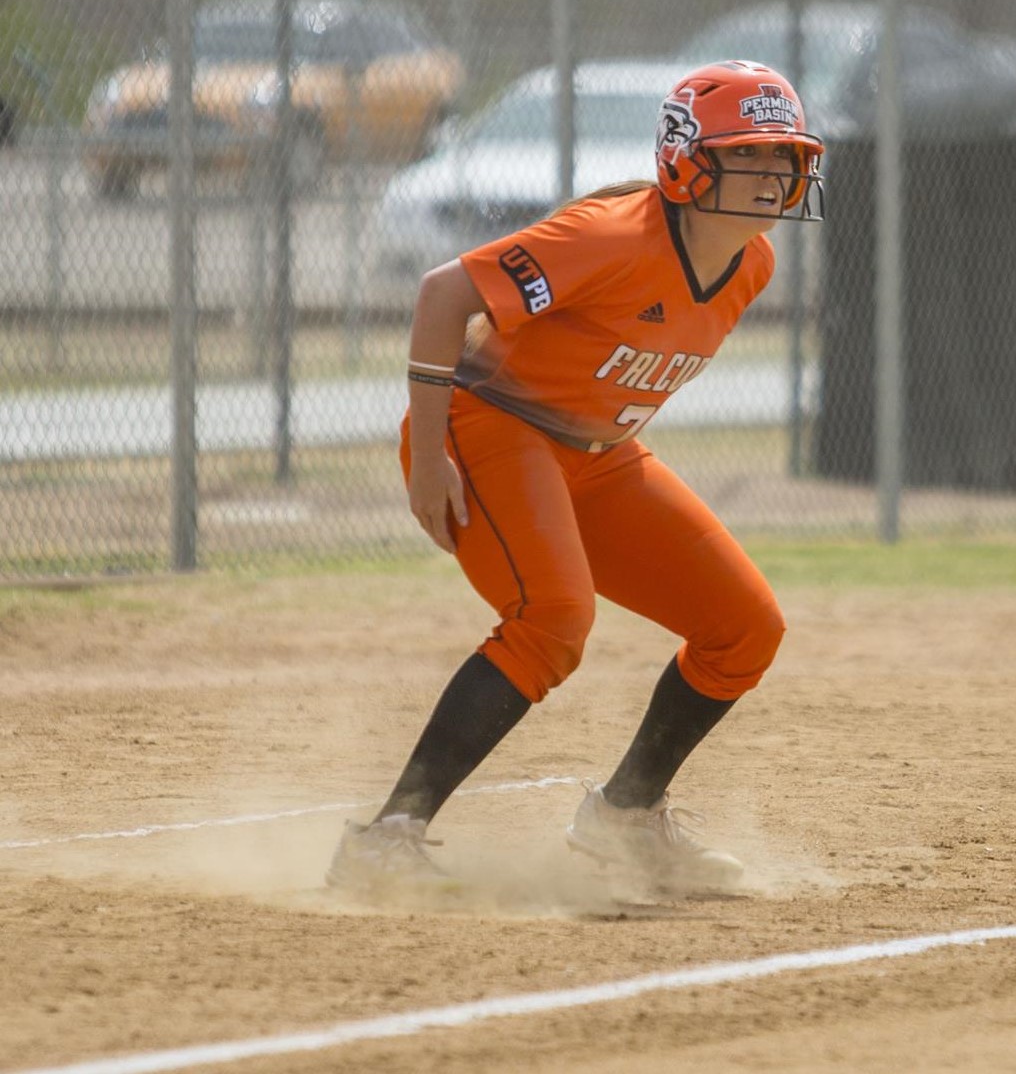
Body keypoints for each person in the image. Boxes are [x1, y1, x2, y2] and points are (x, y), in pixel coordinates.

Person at [326, 60, 824, 896]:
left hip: (596, 457)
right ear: (687, 160)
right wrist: (429, 455)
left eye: (786, 155)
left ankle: (626, 819)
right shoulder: (613, 236)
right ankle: (389, 836)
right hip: (492, 428)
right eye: (751, 153)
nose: (775, 174)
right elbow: (445, 295)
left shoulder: (752, 266)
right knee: (553, 617)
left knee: (745, 626)